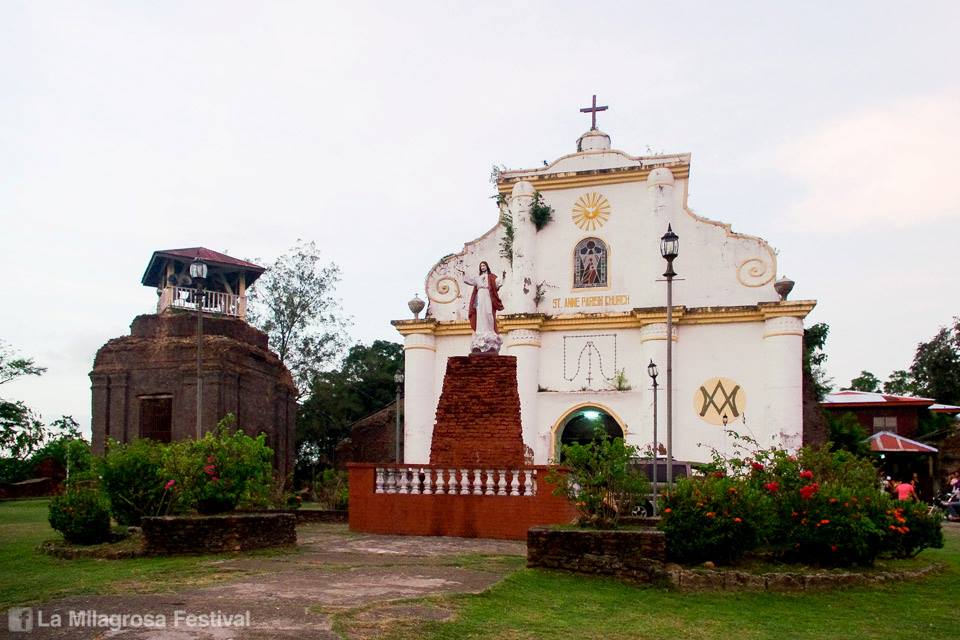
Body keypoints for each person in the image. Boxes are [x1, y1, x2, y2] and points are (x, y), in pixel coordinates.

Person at [462, 261, 504, 350]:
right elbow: (469, 281)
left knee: (489, 312)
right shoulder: (478, 278)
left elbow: (497, 283)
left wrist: (503, 276)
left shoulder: (491, 277)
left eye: (484, 265)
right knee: (480, 313)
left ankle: (490, 331)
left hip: (488, 295)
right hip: (480, 295)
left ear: (487, 266)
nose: (482, 267)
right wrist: (464, 274)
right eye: (481, 266)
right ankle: (480, 332)